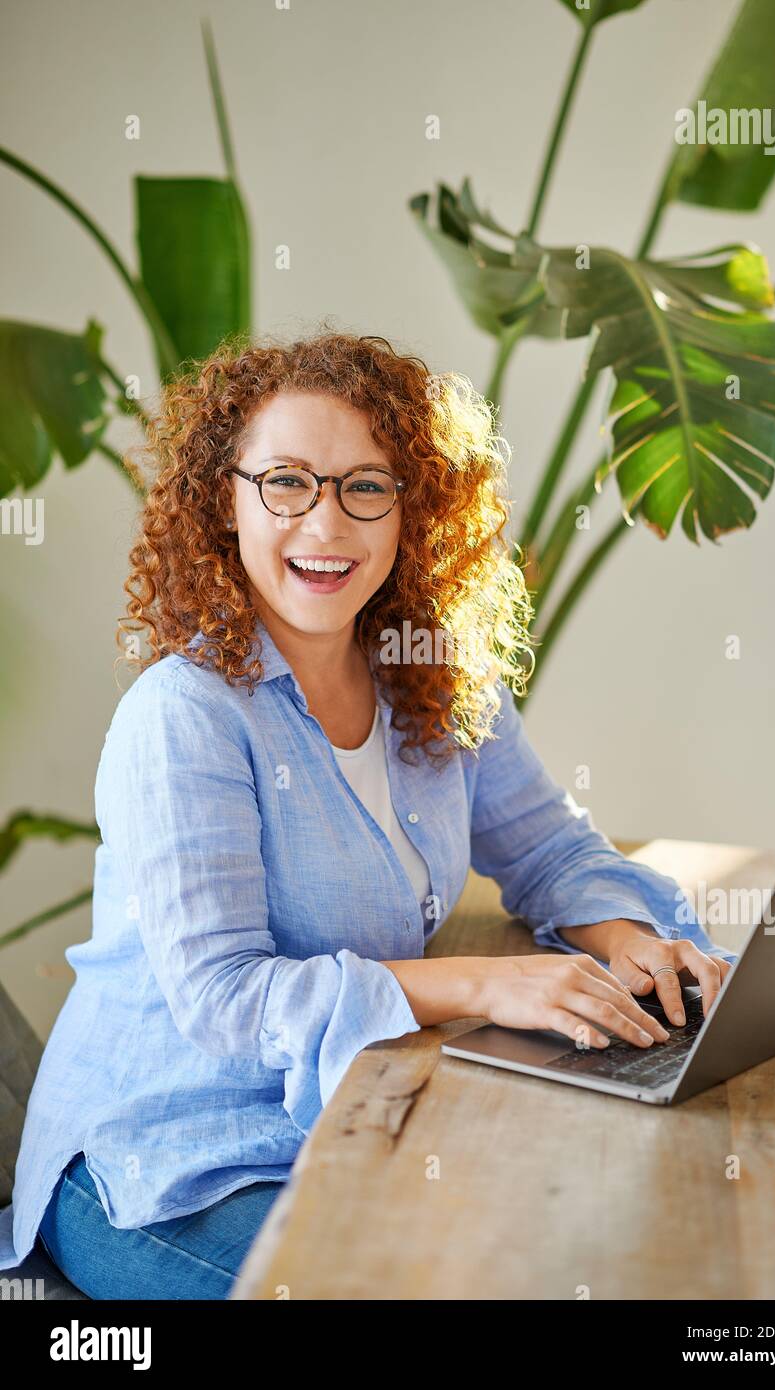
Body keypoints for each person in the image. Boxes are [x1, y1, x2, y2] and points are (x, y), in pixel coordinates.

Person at [0, 330, 735, 1298]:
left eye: (365, 486)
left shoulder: (434, 671)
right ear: (226, 499)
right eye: (287, 482)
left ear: (409, 507)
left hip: (343, 1117)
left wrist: (626, 935)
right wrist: (485, 986)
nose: (326, 522)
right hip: (158, 1168)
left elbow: (549, 844)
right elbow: (225, 998)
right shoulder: (187, 715)